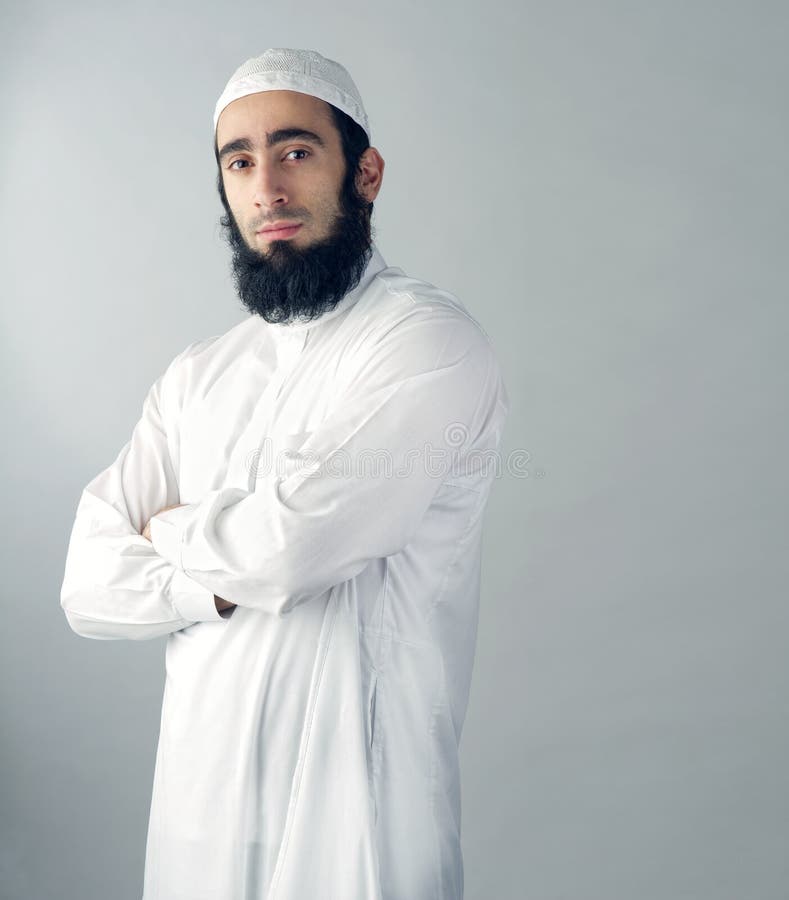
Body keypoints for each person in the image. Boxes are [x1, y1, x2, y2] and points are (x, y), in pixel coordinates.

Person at [60, 48, 509, 900]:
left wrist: (172, 530)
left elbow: (296, 548)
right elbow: (87, 586)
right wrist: (214, 586)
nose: (265, 187)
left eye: (295, 151)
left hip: (361, 811)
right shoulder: (198, 374)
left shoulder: (424, 343)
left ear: (364, 171)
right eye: (239, 161)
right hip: (199, 810)